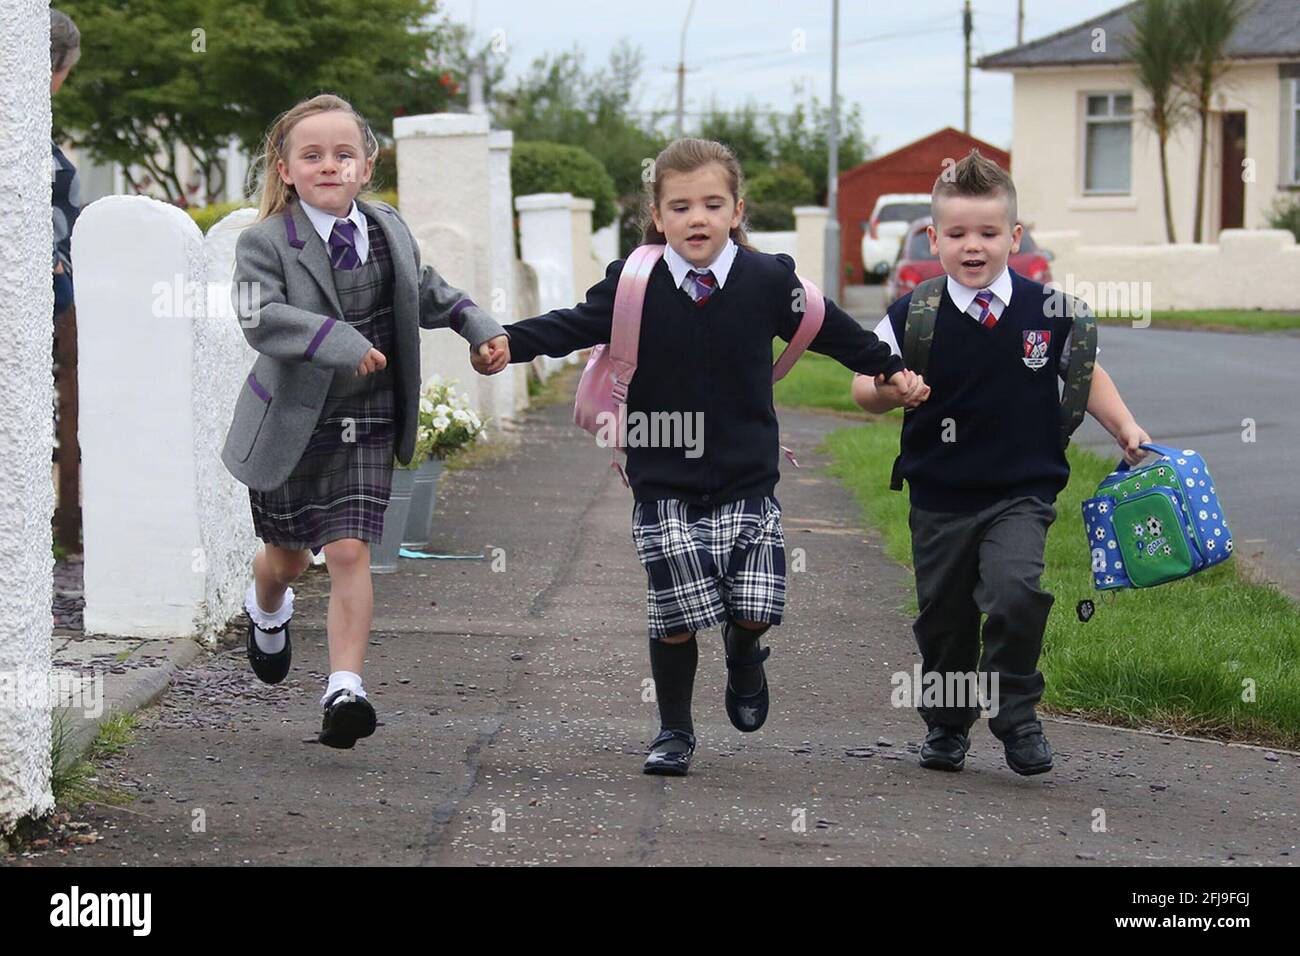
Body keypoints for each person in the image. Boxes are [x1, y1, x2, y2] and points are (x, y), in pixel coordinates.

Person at [492, 138, 924, 776]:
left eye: (713, 205)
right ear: (658, 214)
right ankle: (674, 730)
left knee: (755, 607)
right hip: (661, 477)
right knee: (673, 614)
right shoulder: (634, 284)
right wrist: (508, 341)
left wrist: (889, 368)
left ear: (737, 210)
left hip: (748, 475)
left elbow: (834, 331)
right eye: (681, 206)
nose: (697, 218)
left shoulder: (768, 280)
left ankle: (745, 654)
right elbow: (572, 324)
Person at [221, 93, 509, 749]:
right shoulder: (265, 242)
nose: (329, 165)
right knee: (289, 558)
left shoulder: (389, 229)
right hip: (292, 426)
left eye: (343, 154)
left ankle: (344, 690)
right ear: (285, 169)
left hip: (369, 417)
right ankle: (266, 603)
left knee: (349, 550)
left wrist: (477, 324)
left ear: (367, 165)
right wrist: (339, 340)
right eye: (312, 155)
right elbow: (259, 316)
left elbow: (426, 289)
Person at [852, 149, 1149, 775]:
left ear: (1014, 237)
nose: (973, 246)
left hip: (1021, 491)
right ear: (934, 239)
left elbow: (1085, 374)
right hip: (939, 498)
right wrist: (889, 388)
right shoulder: (915, 313)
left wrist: (1125, 428)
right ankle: (947, 724)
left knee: (1017, 593)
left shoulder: (1048, 311)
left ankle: (1016, 712)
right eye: (957, 233)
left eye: (988, 233)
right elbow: (862, 386)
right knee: (946, 620)